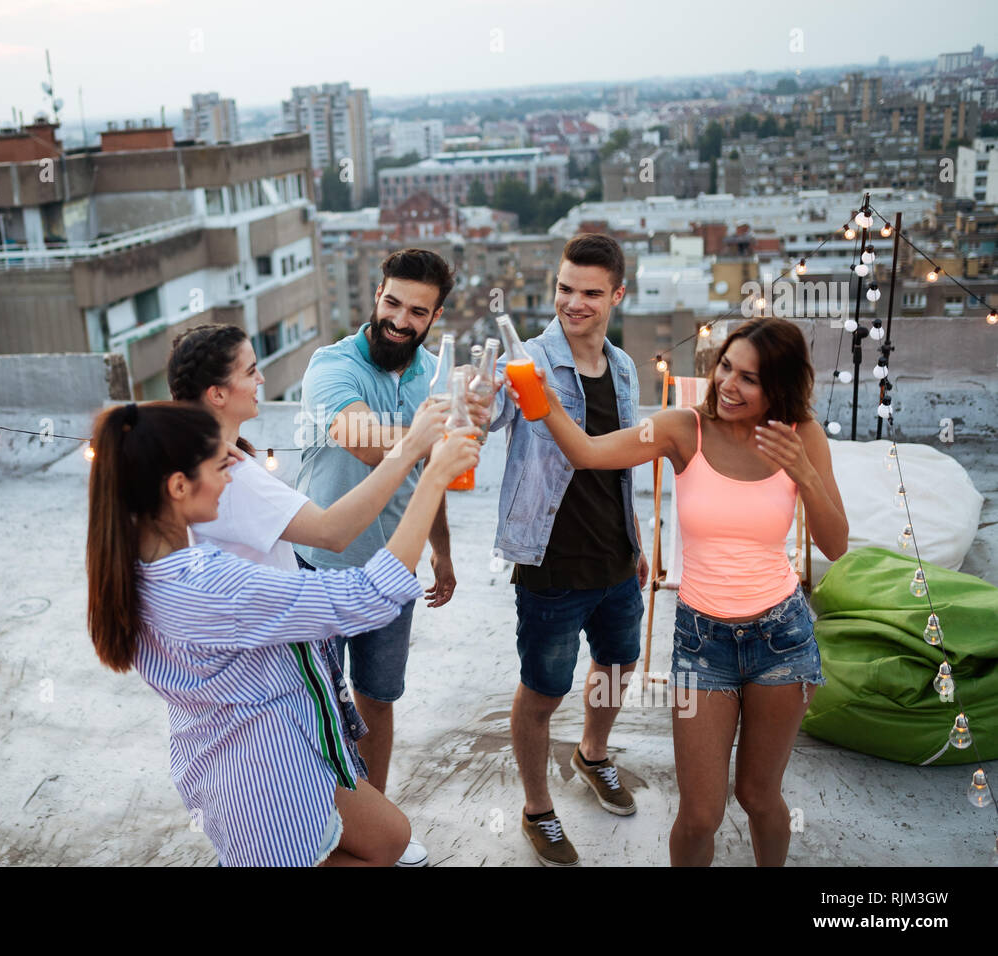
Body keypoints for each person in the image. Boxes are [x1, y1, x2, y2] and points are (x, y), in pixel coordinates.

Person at [509, 315, 849, 866]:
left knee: (760, 797)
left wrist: (805, 473)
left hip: (781, 640)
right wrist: (544, 401)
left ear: (779, 387)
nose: (728, 386)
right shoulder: (681, 427)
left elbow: (836, 544)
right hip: (702, 642)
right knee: (699, 816)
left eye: (750, 379)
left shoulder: (800, 436)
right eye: (726, 369)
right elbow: (590, 454)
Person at [85, 400, 480, 867]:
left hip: (237, 748)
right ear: (177, 486)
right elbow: (367, 595)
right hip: (261, 781)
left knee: (390, 837)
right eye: (221, 465)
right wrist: (431, 478)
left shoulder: (135, 562)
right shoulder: (207, 584)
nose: (233, 476)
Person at [166, 322, 450, 865]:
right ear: (216, 393)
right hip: (259, 692)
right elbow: (331, 532)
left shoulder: (218, 458)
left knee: (387, 837)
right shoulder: (228, 475)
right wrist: (416, 450)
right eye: (251, 370)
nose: (262, 378)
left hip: (266, 672)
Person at [293, 248, 491, 867]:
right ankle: (310, 826)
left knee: (378, 699)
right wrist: (428, 436)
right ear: (377, 295)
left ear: (434, 318)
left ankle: (372, 824)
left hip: (391, 576)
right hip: (315, 572)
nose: (399, 320)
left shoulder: (435, 377)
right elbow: (363, 441)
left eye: (417, 312)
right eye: (392, 303)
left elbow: (430, 479)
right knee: (314, 712)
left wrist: (444, 554)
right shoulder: (331, 365)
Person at [485, 233, 649, 866]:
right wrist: (478, 394)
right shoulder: (523, 363)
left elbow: (619, 464)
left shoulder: (626, 367)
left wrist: (634, 536)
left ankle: (593, 755)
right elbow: (488, 415)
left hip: (616, 558)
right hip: (549, 563)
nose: (572, 303)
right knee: (542, 689)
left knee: (617, 666)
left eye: (588, 293)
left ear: (616, 295)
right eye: (564, 289)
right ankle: (536, 808)